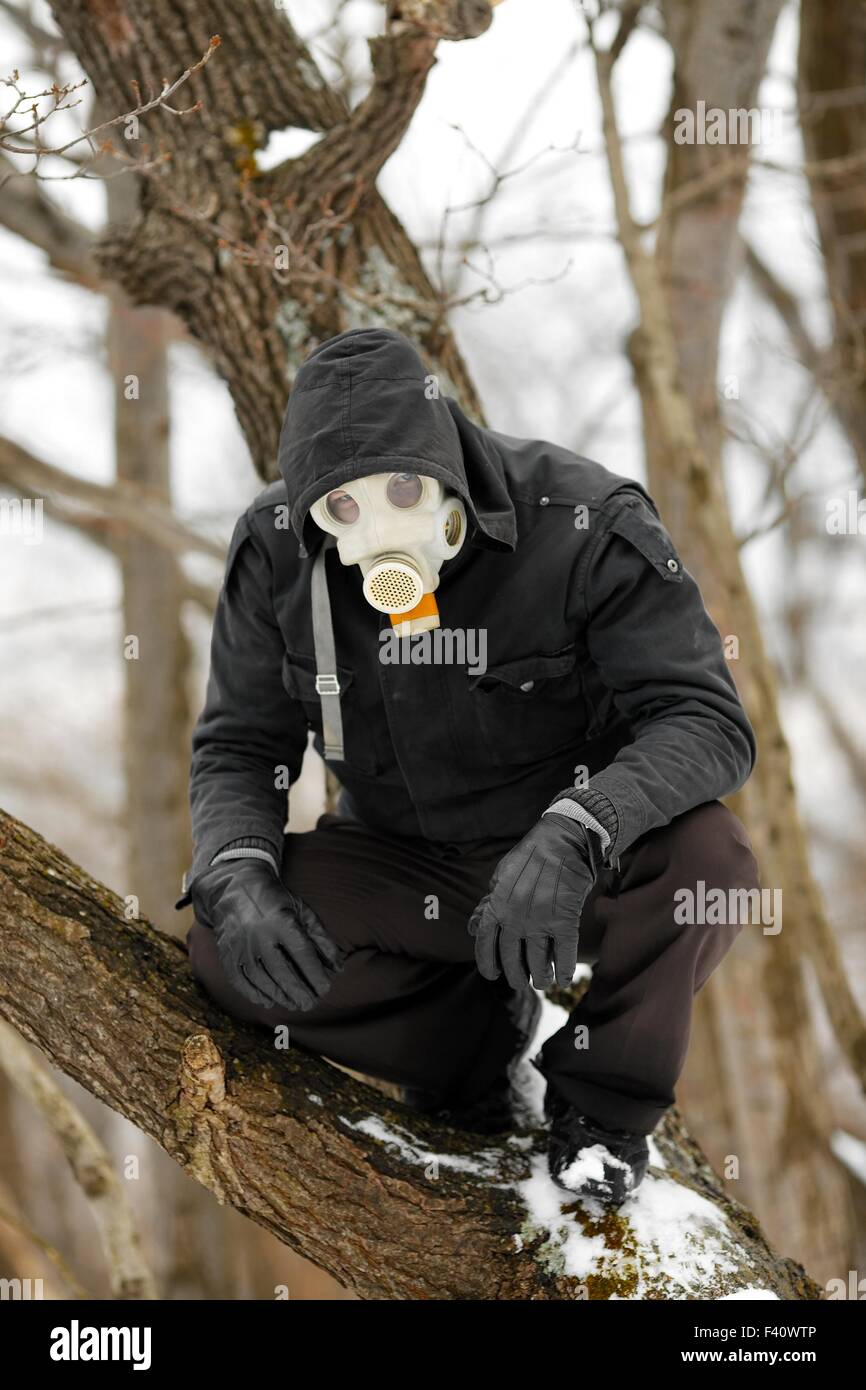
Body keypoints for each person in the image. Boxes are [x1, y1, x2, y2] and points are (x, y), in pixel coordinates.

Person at [178, 326, 759, 1207]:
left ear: (446, 453)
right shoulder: (273, 552)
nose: (375, 528)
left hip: (575, 864)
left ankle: (602, 1111)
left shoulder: (585, 523)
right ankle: (472, 1045)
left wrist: (581, 827)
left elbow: (706, 720)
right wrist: (234, 870)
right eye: (341, 510)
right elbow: (240, 747)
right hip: (405, 863)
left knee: (714, 865)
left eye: (403, 490)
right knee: (229, 947)